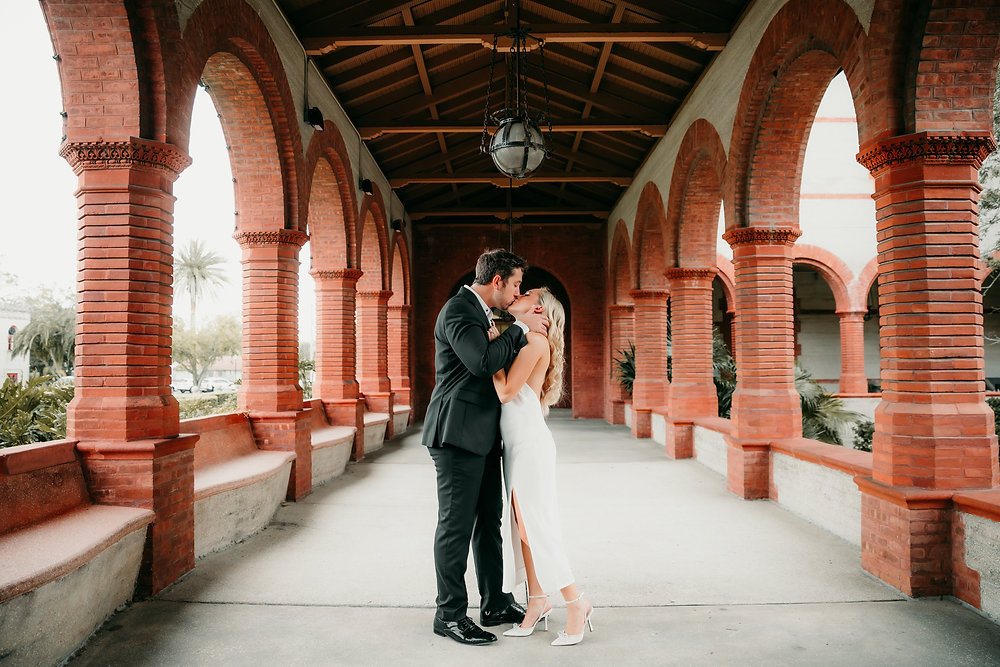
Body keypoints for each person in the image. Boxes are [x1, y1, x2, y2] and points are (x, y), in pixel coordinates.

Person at [422, 249, 550, 646]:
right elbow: (481, 362)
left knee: (489, 523)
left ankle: (494, 601)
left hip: (482, 435)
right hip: (456, 434)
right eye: (514, 285)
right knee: (456, 528)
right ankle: (450, 615)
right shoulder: (459, 310)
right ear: (497, 281)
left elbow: (494, 361)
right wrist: (520, 328)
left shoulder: (483, 315)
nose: (516, 294)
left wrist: (513, 333)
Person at [490, 287, 595, 647]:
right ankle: (537, 600)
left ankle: (576, 602)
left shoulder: (534, 342)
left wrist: (490, 355)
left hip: (529, 444)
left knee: (536, 527)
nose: (517, 293)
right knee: (523, 528)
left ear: (536, 307)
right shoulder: (525, 340)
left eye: (527, 291)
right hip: (517, 443)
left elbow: (505, 392)